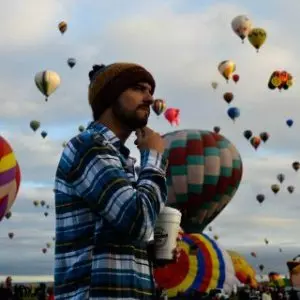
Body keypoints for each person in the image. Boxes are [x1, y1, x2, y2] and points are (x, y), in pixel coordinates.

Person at [54, 63, 178, 299]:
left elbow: (117, 233)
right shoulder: (88, 147)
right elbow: (137, 220)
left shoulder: (120, 160)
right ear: (112, 95)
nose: (150, 99)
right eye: (139, 89)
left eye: (151, 91)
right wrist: (154, 158)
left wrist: (147, 252)